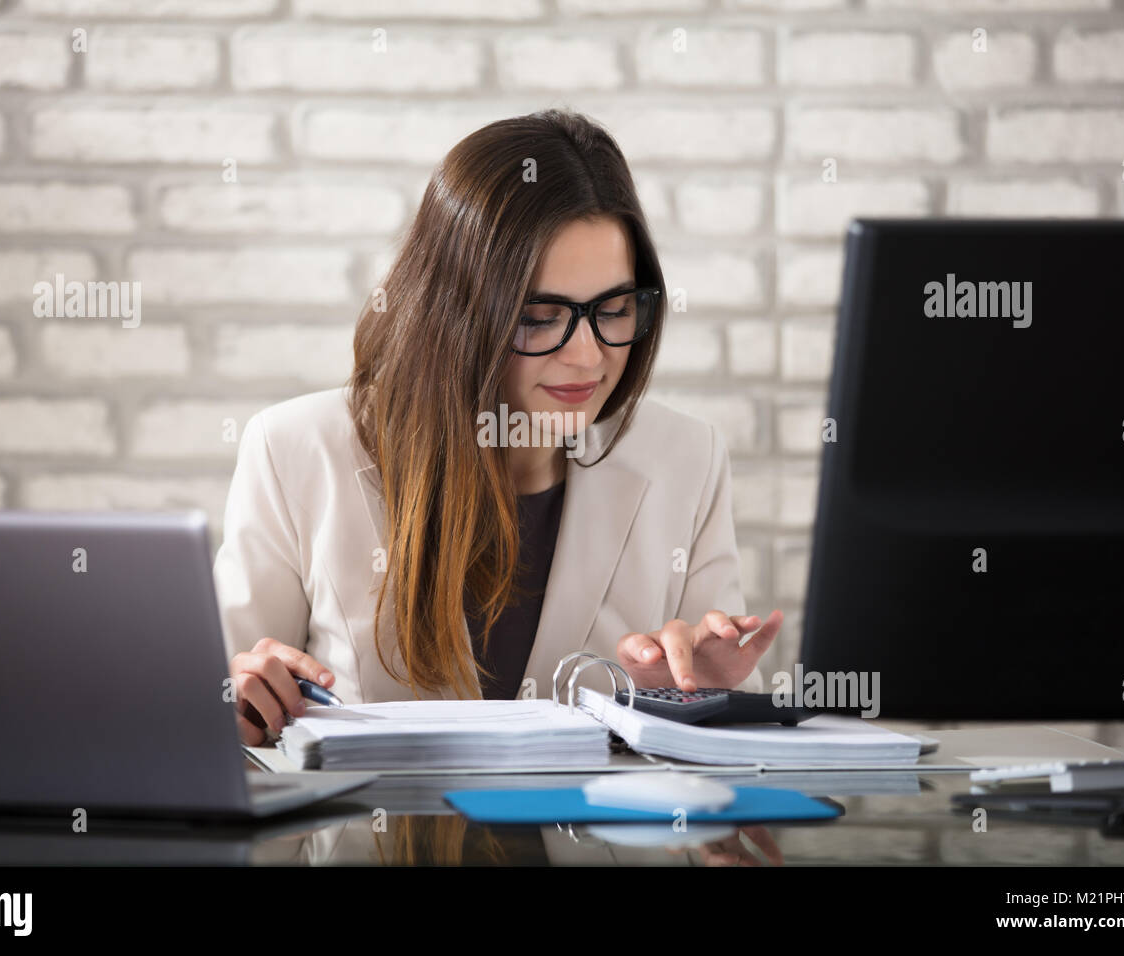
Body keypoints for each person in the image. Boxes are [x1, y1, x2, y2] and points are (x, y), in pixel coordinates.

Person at [213, 108, 783, 746]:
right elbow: (220, 717)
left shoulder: (688, 459)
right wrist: (232, 703)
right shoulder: (296, 451)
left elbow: (726, 781)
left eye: (616, 309)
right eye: (540, 316)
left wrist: (703, 702)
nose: (589, 356)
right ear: (451, 313)